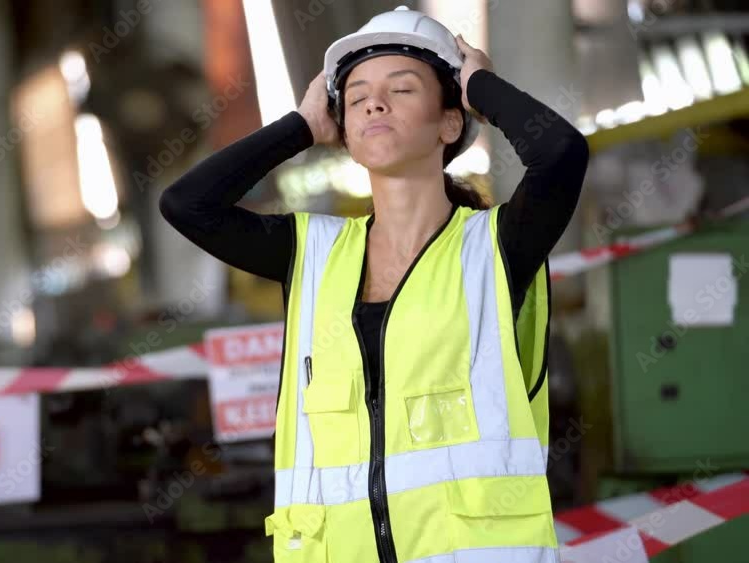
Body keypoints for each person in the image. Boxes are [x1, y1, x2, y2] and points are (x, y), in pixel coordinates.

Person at [162, 6, 589, 562]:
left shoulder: (496, 247)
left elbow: (560, 154)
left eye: (402, 89)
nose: (373, 103)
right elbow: (186, 205)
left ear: (450, 121)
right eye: (357, 95)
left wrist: (480, 84)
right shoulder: (312, 254)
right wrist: (300, 128)